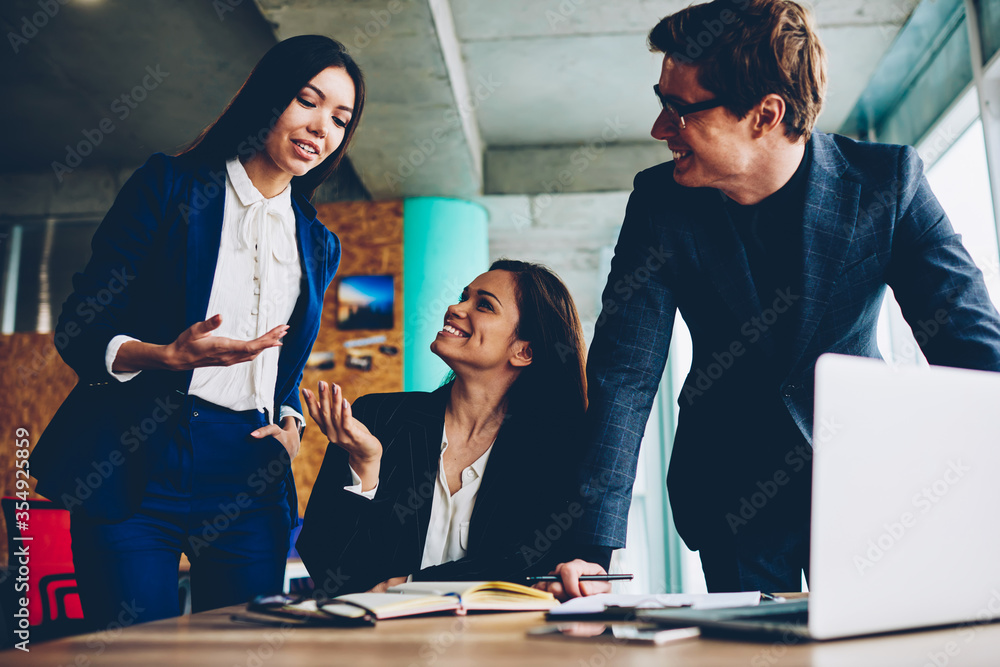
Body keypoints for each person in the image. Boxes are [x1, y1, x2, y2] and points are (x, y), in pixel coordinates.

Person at [543, 0, 1000, 597]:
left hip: (864, 487)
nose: (659, 129)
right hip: (731, 492)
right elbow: (624, 375)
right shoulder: (660, 206)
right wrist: (591, 546)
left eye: (678, 110)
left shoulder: (889, 185)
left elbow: (972, 351)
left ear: (765, 114)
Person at [30, 35, 366, 627]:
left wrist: (290, 421)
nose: (322, 127)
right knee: (136, 650)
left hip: (248, 468)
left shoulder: (319, 243)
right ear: (268, 99)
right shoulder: (170, 186)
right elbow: (82, 323)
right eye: (307, 101)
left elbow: (279, 366)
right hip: (137, 458)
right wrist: (164, 354)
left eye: (340, 119)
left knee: (243, 651)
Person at [296, 260, 588, 596]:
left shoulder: (548, 453)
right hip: (375, 642)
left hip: (496, 643)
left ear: (524, 351)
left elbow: (527, 568)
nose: (454, 308)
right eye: (464, 296)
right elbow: (329, 567)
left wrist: (413, 585)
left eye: (483, 305)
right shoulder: (376, 418)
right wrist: (366, 468)